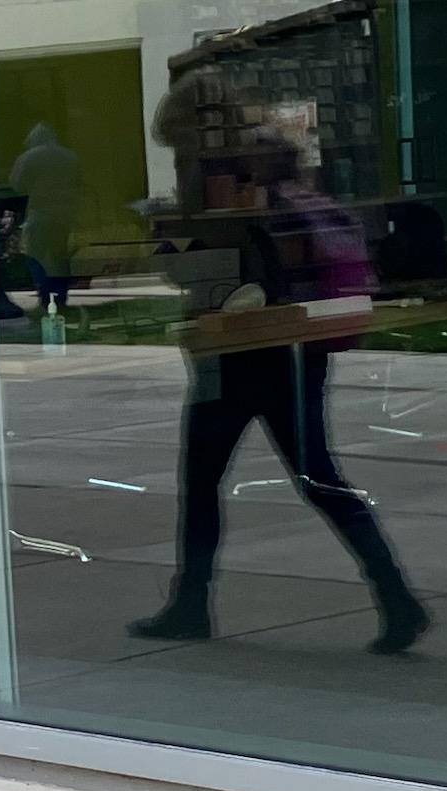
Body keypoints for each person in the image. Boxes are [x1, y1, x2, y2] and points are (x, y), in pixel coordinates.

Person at [128, 70, 429, 655]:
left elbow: (209, 264)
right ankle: (395, 595)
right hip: (294, 347)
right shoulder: (276, 157)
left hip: (238, 351)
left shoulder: (215, 171)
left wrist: (163, 237)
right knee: (319, 478)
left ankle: (191, 603)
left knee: (206, 483)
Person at [8, 121, 84, 312]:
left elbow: (17, 185)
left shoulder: (29, 157)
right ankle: (60, 298)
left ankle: (44, 297)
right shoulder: (71, 157)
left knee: (35, 255)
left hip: (40, 213)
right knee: (59, 257)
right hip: (65, 214)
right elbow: (79, 183)